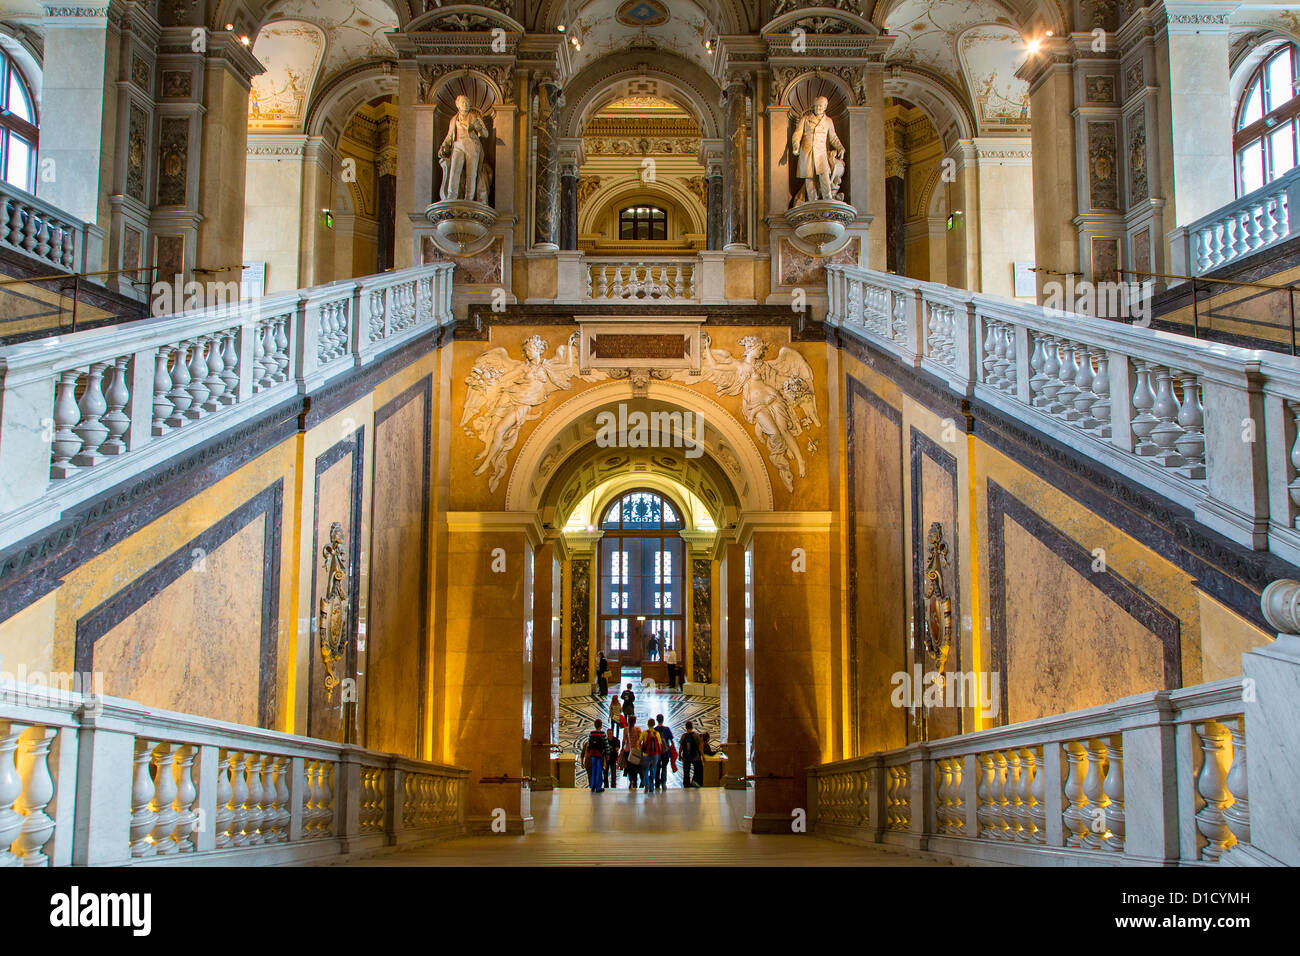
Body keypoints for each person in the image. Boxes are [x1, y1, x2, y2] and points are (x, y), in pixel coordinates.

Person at [640, 718, 663, 793]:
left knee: (645, 770)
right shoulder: (657, 733)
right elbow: (660, 745)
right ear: (654, 724)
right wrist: (659, 754)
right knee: (653, 770)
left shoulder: (644, 733)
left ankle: (647, 784)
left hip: (646, 754)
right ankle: (651, 787)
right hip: (655, 754)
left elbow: (639, 742)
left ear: (648, 724)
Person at [585, 719, 608, 792]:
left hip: (592, 754)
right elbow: (606, 744)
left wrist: (588, 752)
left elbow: (589, 743)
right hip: (600, 754)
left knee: (593, 769)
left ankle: (593, 786)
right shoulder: (603, 734)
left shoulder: (591, 733)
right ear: (601, 726)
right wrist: (607, 754)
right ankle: (598, 787)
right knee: (599, 770)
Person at [679, 720, 704, 788]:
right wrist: (703, 756)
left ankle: (686, 784)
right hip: (695, 756)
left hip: (686, 756)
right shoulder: (696, 735)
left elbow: (681, 747)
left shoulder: (683, 736)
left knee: (686, 772)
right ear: (692, 727)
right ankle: (695, 781)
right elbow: (700, 747)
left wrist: (679, 755)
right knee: (697, 769)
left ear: (686, 727)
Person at [653, 713, 674, 790]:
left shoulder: (655, 730)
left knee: (657, 767)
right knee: (664, 767)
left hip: (657, 753)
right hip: (666, 752)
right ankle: (663, 782)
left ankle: (657, 784)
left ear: (656, 720)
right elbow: (671, 740)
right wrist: (673, 750)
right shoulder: (667, 729)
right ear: (663, 719)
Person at [622, 718, 642, 789]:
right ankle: (635, 782)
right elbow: (640, 740)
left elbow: (624, 740)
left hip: (628, 751)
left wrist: (622, 749)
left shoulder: (625, 730)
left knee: (629, 768)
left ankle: (631, 780)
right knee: (635, 768)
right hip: (635, 752)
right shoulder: (638, 729)